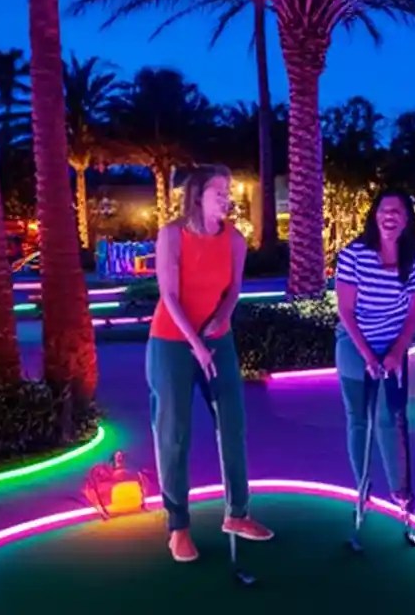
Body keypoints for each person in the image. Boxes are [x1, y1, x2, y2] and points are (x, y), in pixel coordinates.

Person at [147, 164, 272, 563]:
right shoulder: (172, 235)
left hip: (218, 341)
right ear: (197, 195)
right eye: (219, 190)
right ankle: (178, 528)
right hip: (171, 342)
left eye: (228, 189)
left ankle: (237, 513)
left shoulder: (234, 239)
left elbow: (234, 289)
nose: (227, 196)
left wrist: (222, 319)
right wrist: (195, 345)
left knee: (232, 423)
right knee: (175, 433)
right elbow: (169, 294)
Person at [334, 189, 415, 512]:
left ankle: (399, 488)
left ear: (407, 220)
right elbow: (346, 311)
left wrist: (395, 353)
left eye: (398, 211)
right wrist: (367, 356)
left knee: (389, 417)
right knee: (358, 418)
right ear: (375, 215)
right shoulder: (354, 255)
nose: (390, 216)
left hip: (393, 343)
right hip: (354, 343)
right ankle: (362, 485)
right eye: (384, 210)